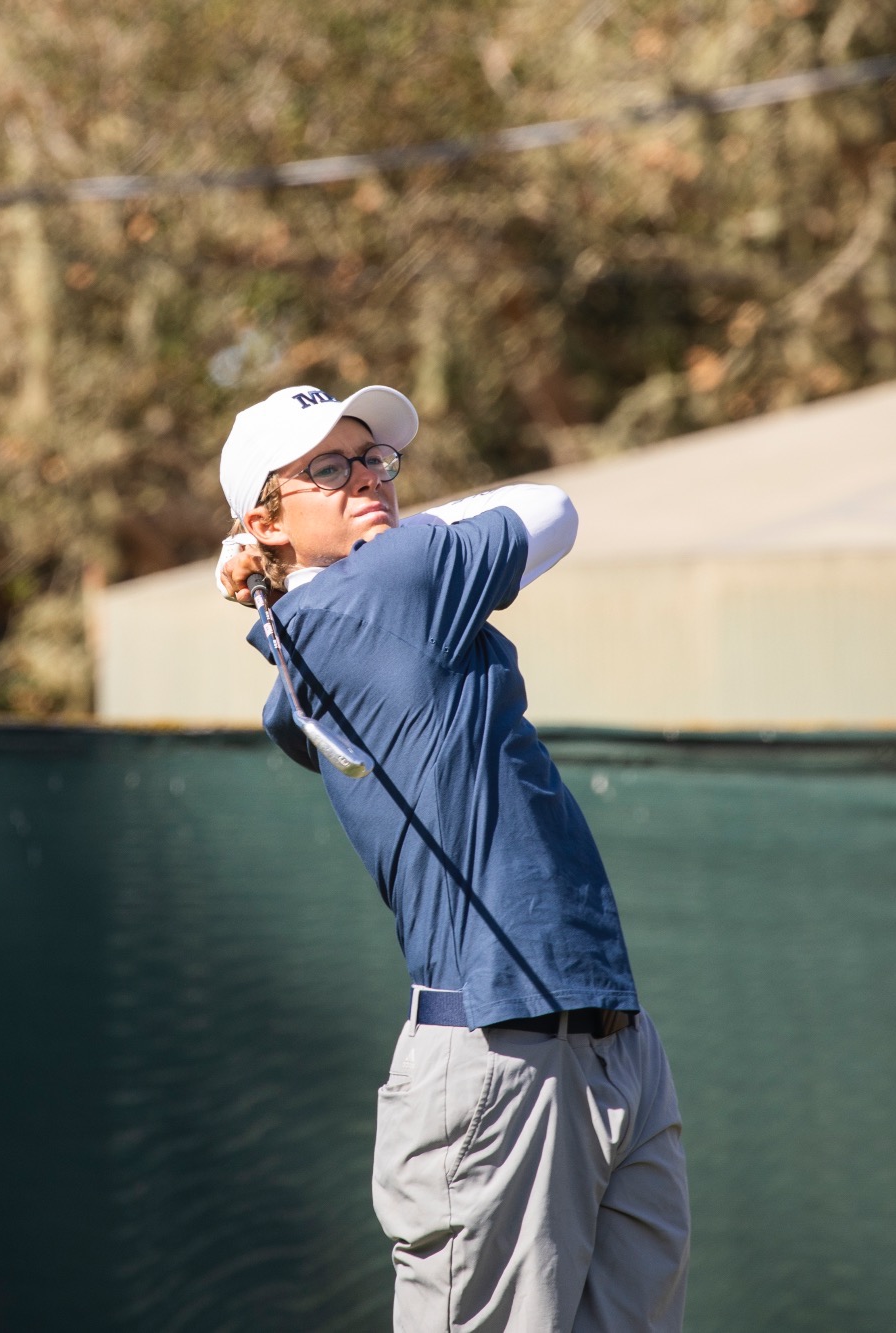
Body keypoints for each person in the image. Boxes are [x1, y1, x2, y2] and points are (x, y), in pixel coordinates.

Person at [214, 384, 689, 1333]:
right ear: (264, 514)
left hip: (607, 1037)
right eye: (329, 466)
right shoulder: (402, 572)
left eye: (377, 459)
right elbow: (552, 510)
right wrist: (309, 560)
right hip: (499, 1052)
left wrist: (270, 566)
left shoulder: (329, 631)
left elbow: (292, 697)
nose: (369, 479)